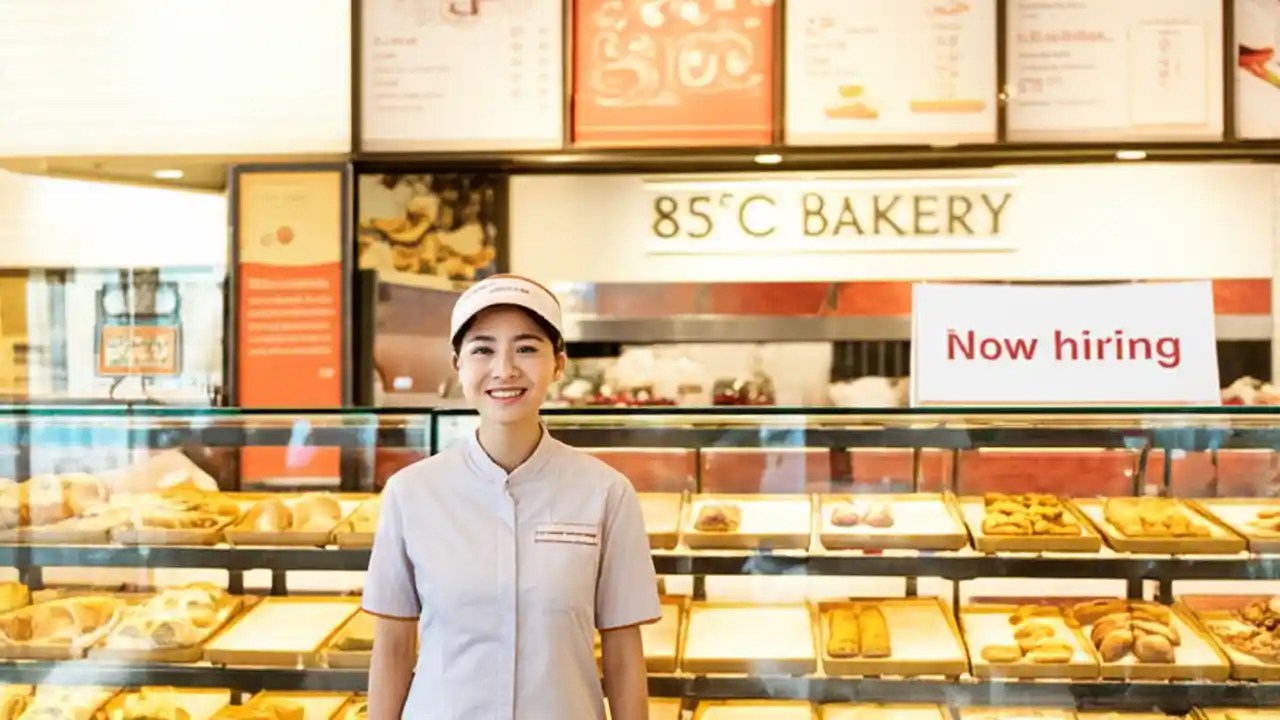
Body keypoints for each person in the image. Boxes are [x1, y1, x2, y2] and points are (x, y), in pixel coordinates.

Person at [363, 274, 661, 720]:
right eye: (482, 349)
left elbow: (622, 653)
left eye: (526, 348)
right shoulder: (411, 493)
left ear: (558, 364)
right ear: (458, 364)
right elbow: (391, 648)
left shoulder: (605, 492)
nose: (504, 369)